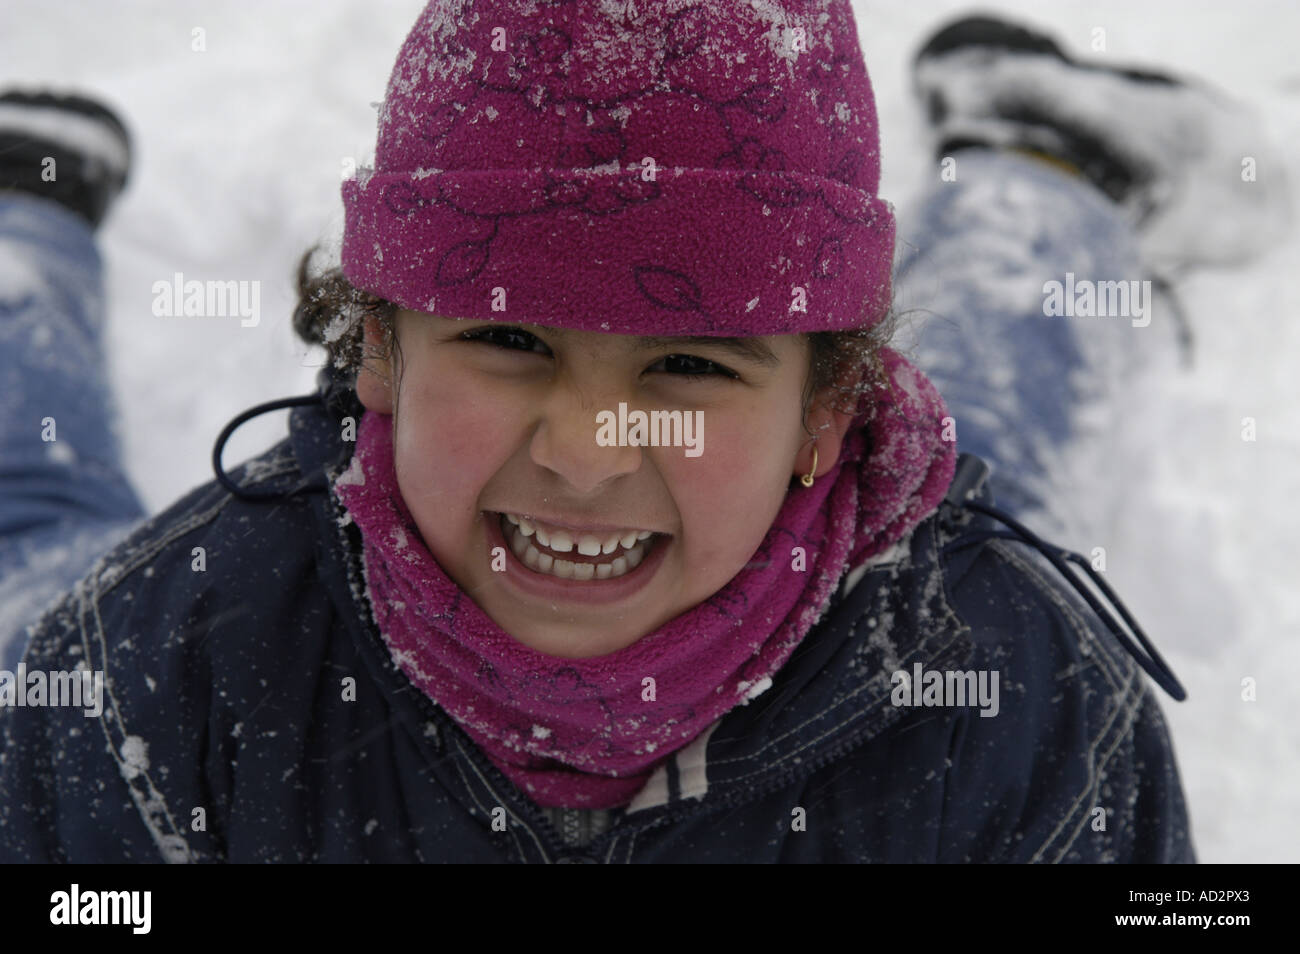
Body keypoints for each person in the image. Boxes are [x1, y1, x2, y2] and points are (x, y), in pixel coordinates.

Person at [2, 2, 1242, 863]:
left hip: (871, 582)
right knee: (38, 557)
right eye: (510, 340)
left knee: (997, 474)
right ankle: (27, 210)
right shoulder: (145, 667)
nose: (587, 451)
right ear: (377, 348)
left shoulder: (1019, 697)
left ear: (834, 412)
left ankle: (1042, 161)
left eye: (689, 362)